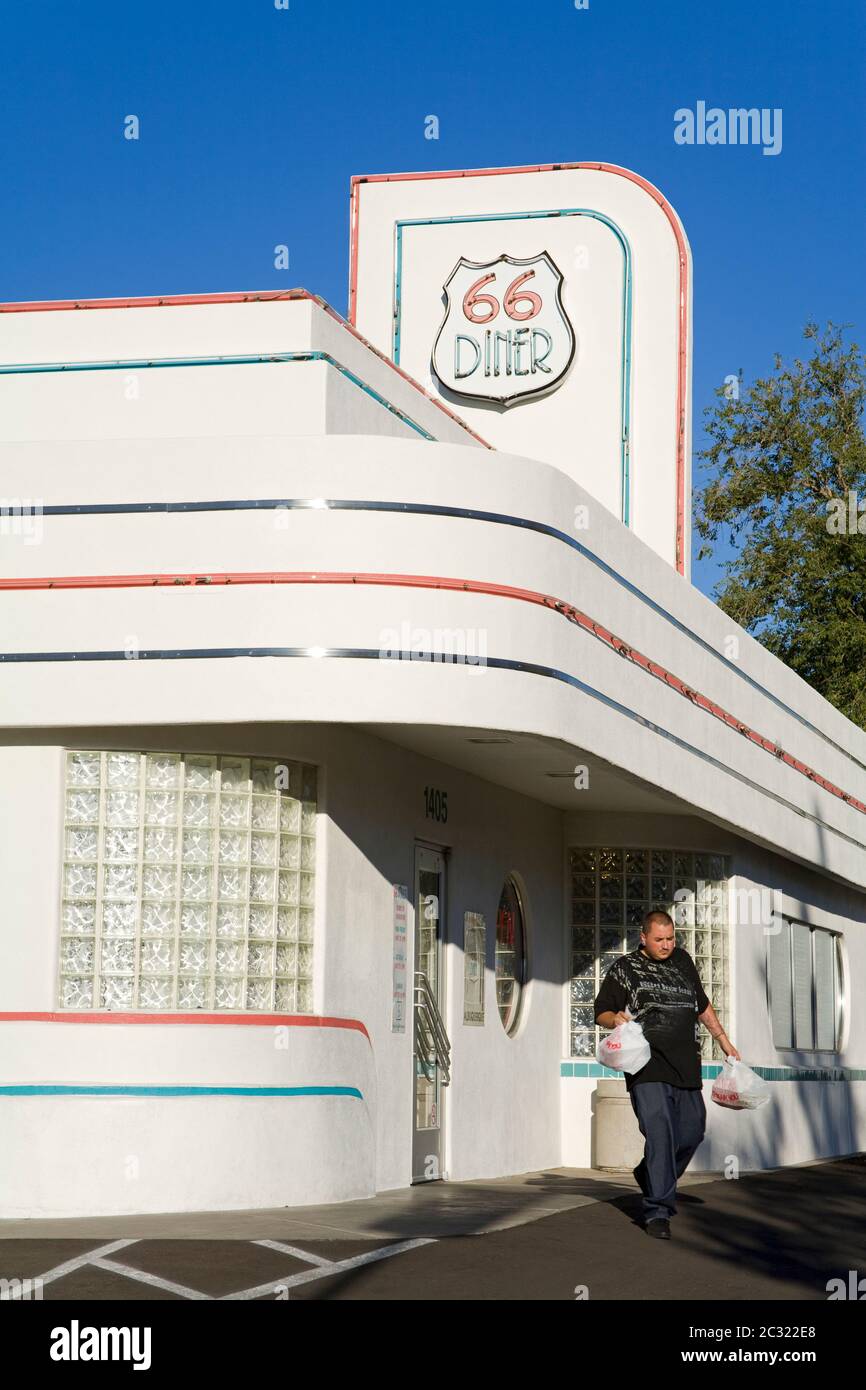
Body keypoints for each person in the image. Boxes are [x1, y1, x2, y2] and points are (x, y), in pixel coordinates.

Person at [594, 909, 740, 1240]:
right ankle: (658, 1210)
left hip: (685, 1065)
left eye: (671, 938)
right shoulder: (625, 969)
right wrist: (614, 1019)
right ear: (643, 938)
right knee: (660, 1131)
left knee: (691, 1132)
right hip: (646, 1066)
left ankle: (650, 1172)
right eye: (659, 939)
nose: (666, 944)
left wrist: (723, 1040)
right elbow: (600, 1011)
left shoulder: (684, 962)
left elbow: (701, 1005)